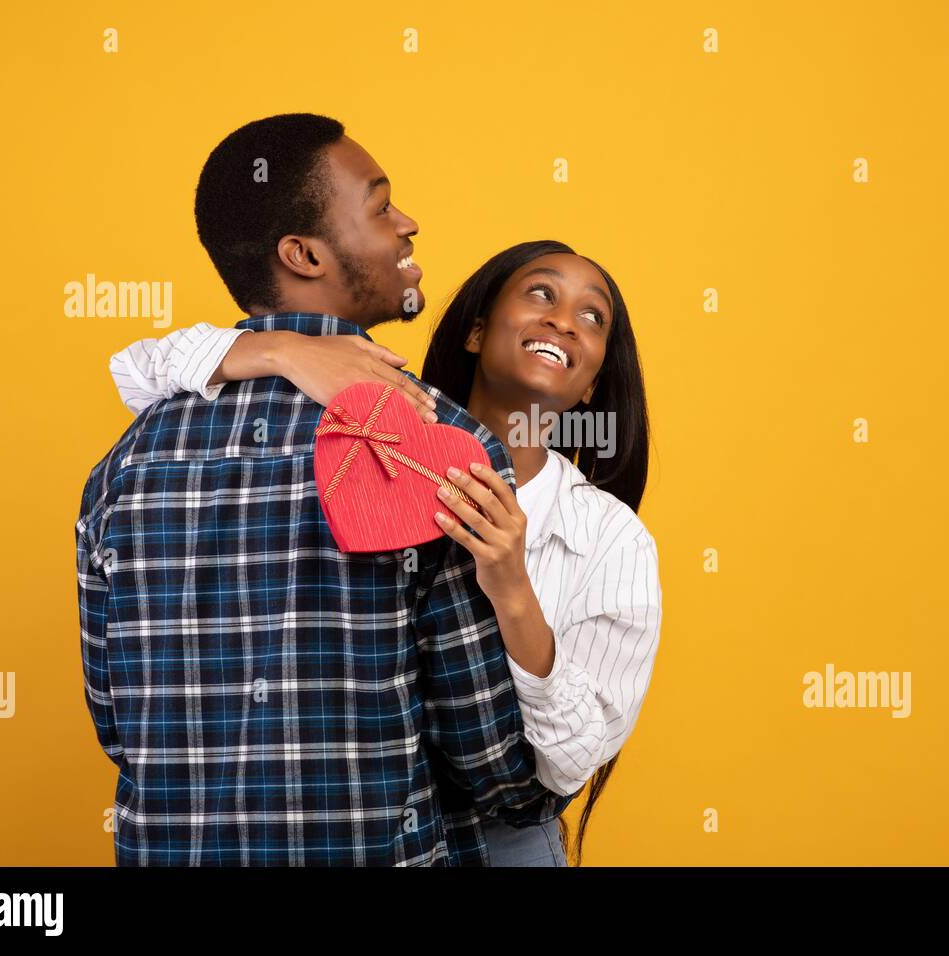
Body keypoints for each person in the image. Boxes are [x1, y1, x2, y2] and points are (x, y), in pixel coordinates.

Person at [75, 113, 572, 866]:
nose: (408, 224)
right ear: (304, 254)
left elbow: (117, 723)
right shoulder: (440, 441)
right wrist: (537, 795)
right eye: (380, 206)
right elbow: (477, 745)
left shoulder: (123, 466)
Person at [104, 241, 662, 866]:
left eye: (592, 317)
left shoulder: (610, 538)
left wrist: (512, 590)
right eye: (541, 294)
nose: (563, 321)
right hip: (371, 827)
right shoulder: (369, 436)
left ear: (592, 387)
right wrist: (281, 350)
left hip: (505, 839)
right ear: (476, 332)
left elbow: (570, 763)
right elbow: (138, 370)